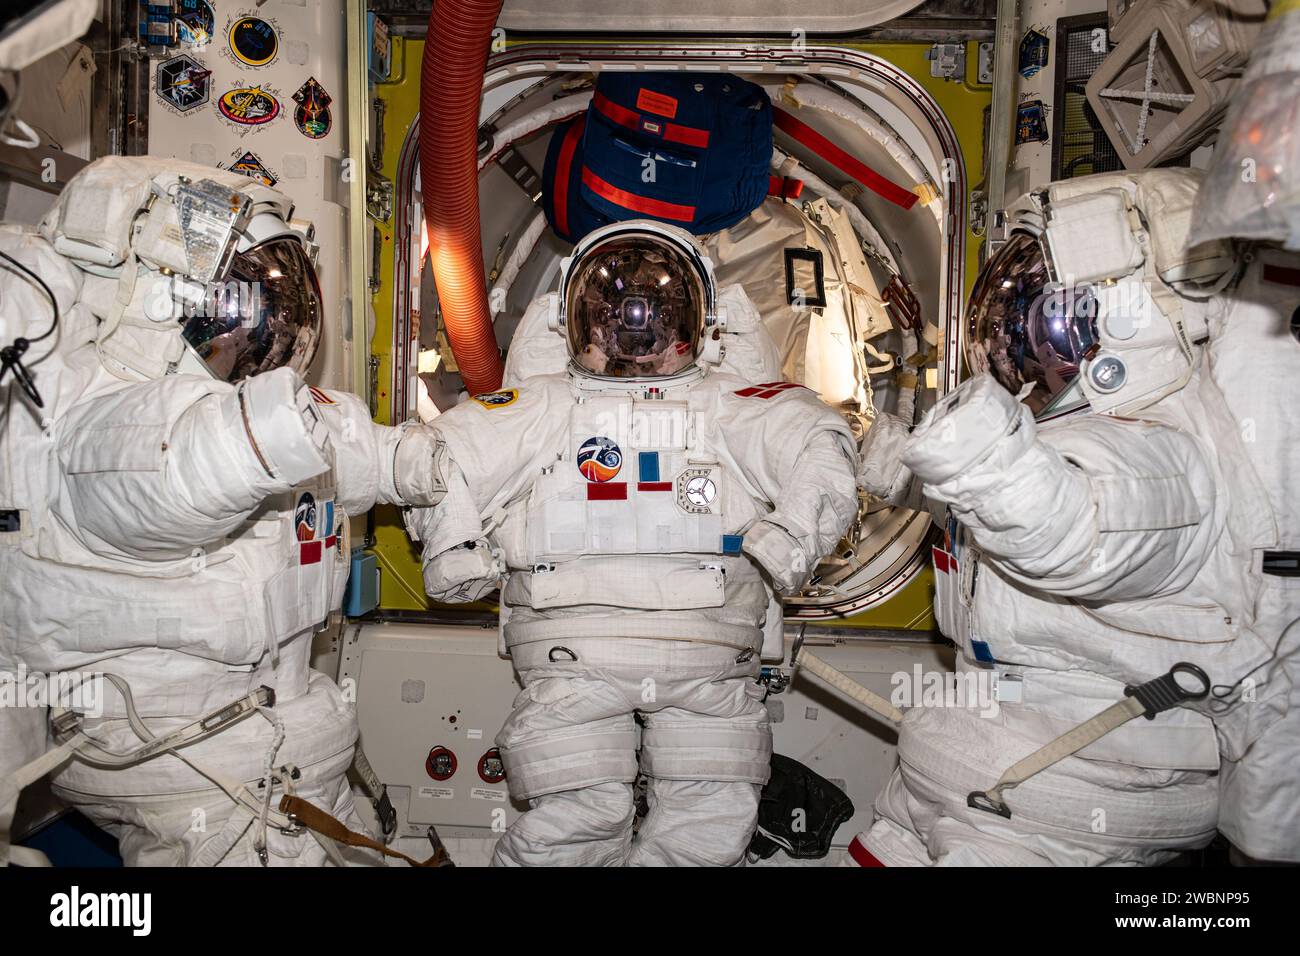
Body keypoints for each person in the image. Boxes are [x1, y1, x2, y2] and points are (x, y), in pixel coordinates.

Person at [0, 156, 443, 866]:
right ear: (160, 307)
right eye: (242, 314)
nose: (263, 338)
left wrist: (428, 467)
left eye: (279, 310)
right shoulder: (105, 419)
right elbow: (172, 471)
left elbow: (369, 450)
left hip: (280, 735)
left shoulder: (278, 413)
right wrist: (261, 432)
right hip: (191, 761)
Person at [855, 169, 1299, 866]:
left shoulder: (1164, 455)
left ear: (1131, 326)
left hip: (1055, 797)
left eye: (1048, 327)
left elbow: (1070, 530)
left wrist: (976, 450)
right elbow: (1000, 519)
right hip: (983, 764)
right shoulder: (1072, 446)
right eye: (1018, 323)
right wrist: (894, 466)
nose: (1021, 349)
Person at [403, 220, 859, 866]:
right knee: (675, 823)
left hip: (624, 651)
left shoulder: (735, 403)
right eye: (617, 312)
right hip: (637, 653)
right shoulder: (545, 404)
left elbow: (823, 447)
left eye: (655, 312)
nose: (637, 330)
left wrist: (790, 540)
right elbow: (434, 458)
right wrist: (455, 550)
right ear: (578, 324)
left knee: (625, 821)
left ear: (698, 323)